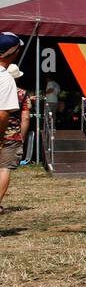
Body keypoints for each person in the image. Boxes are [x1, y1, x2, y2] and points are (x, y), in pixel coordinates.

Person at [1, 60, 30, 213]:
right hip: (11, 135)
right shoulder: (22, 93)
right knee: (4, 169)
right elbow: (25, 118)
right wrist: (22, 137)